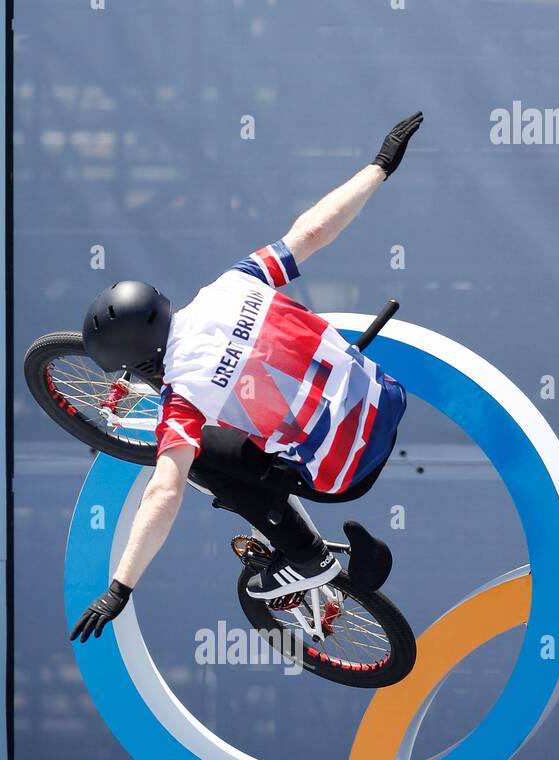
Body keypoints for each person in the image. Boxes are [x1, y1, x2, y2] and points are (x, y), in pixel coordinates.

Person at [71, 113, 423, 643]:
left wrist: (120, 587)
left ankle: (309, 561)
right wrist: (380, 164)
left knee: (198, 462)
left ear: (142, 361)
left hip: (345, 475)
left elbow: (163, 494)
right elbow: (313, 231)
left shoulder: (183, 398)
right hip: (387, 404)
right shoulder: (230, 285)